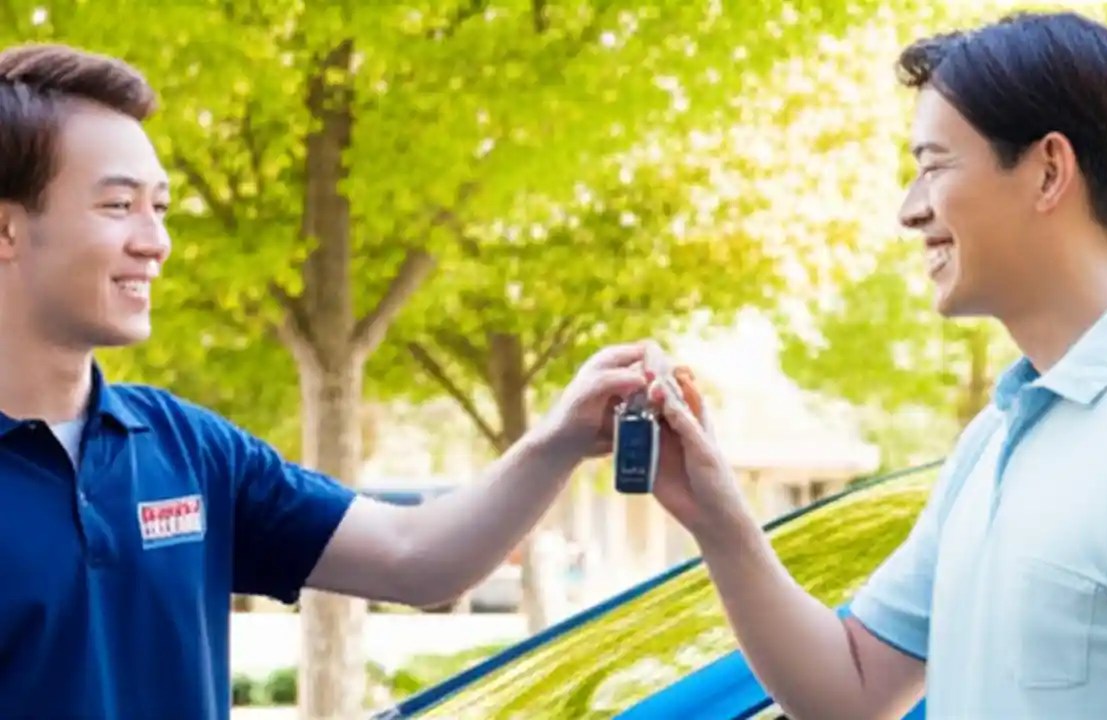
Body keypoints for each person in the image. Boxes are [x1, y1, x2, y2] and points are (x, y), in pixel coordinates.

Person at [648, 11, 1107, 720]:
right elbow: (850, 694)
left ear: (1048, 172)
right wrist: (714, 513)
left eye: (934, 166)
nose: (910, 211)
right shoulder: (995, 440)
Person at [0, 44, 653, 719]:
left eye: (159, 207)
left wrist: (560, 439)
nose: (156, 241)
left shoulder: (189, 451)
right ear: (7, 228)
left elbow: (417, 558)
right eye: (118, 206)